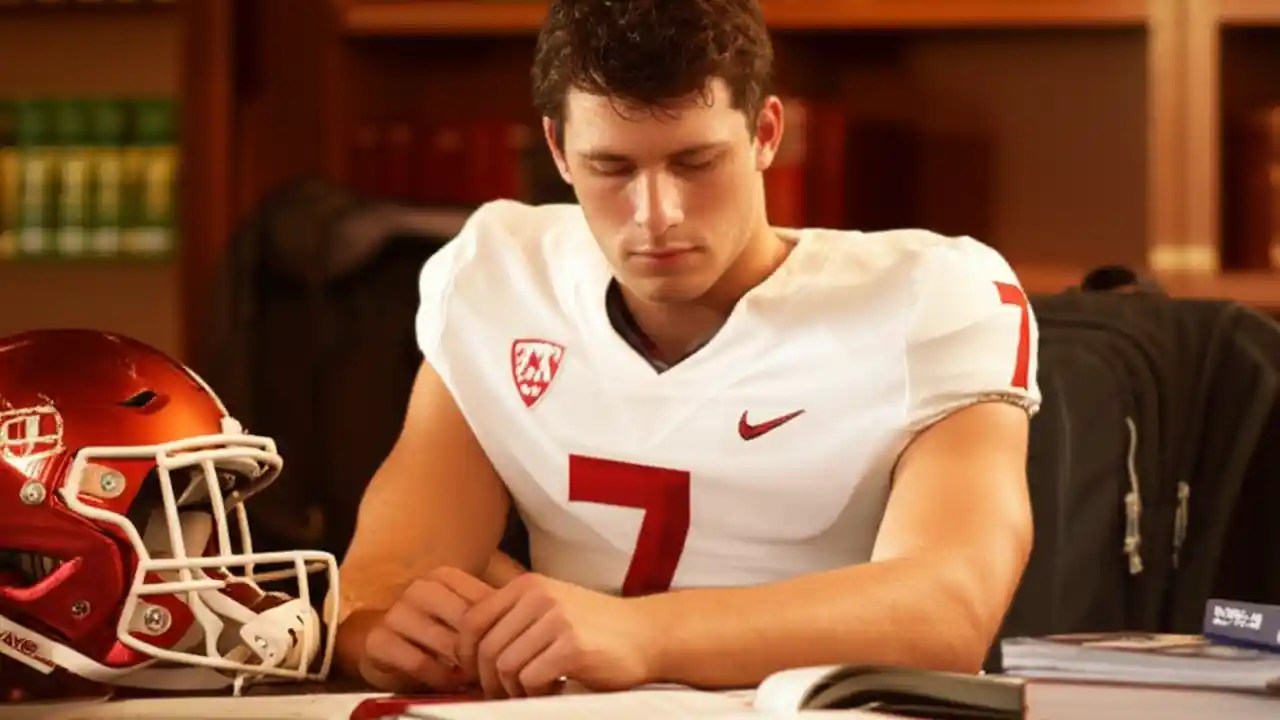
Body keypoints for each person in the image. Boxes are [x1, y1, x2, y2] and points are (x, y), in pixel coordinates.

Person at [329, 0, 1041, 700]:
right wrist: (381, 634)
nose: (656, 215)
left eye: (696, 161)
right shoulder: (498, 277)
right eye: (611, 167)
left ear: (765, 134)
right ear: (557, 149)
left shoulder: (935, 295)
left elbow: (950, 607)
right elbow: (387, 579)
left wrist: (645, 636)